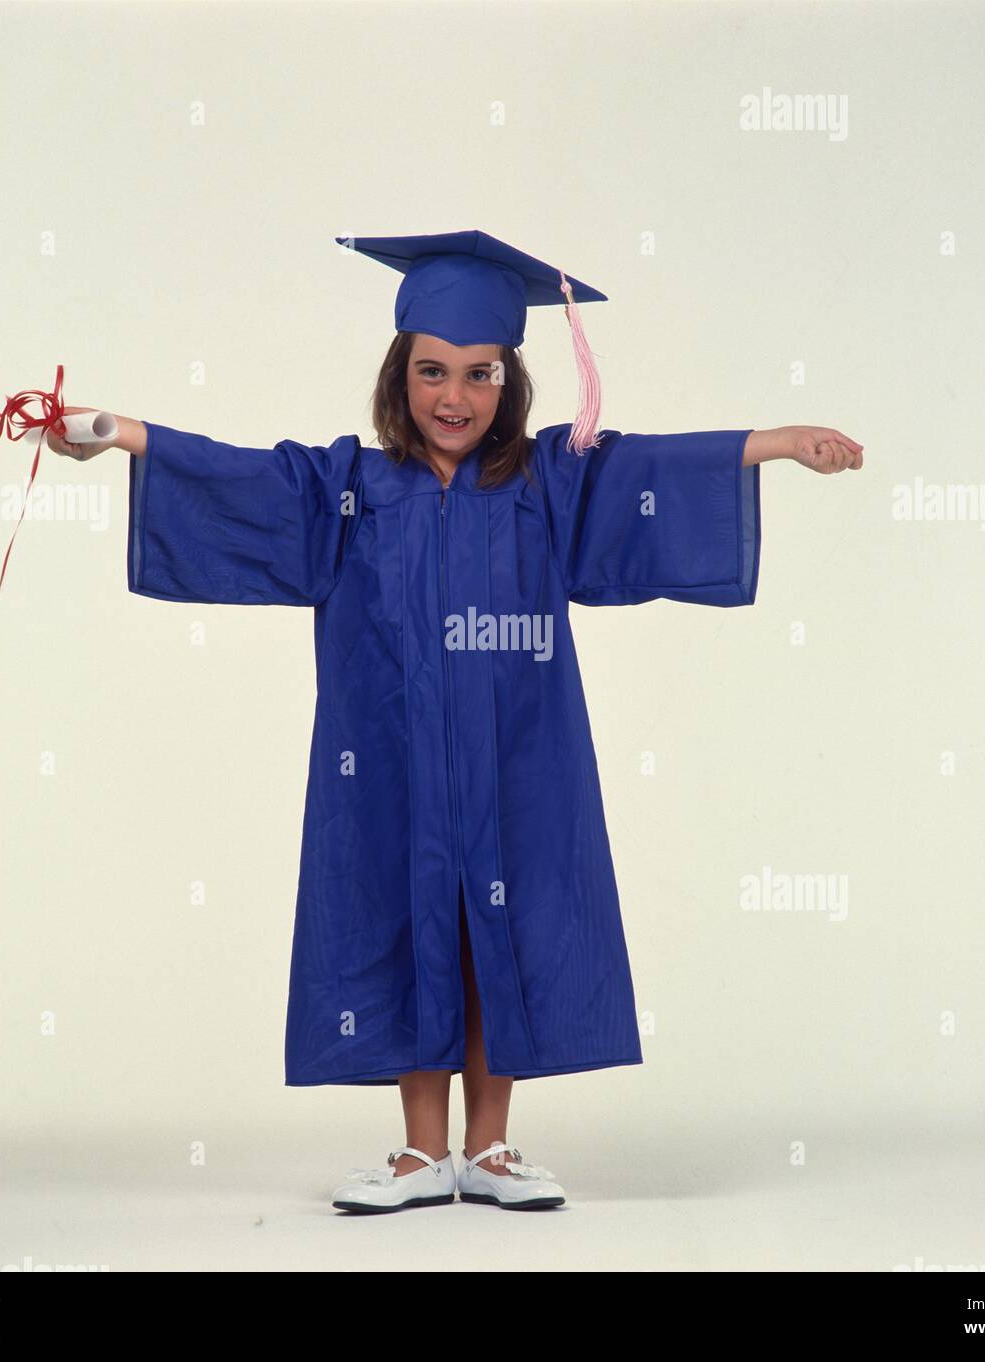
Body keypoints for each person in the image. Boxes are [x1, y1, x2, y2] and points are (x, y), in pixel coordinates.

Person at [47, 230, 863, 1213]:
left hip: (519, 760)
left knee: (499, 931)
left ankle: (492, 1150)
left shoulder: (549, 481)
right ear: (400, 375)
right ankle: (418, 1155)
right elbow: (238, 477)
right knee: (403, 920)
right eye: (432, 371)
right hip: (385, 760)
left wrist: (777, 441)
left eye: (479, 374)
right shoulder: (345, 485)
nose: (454, 397)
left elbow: (649, 466)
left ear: (508, 379)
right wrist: (118, 432)